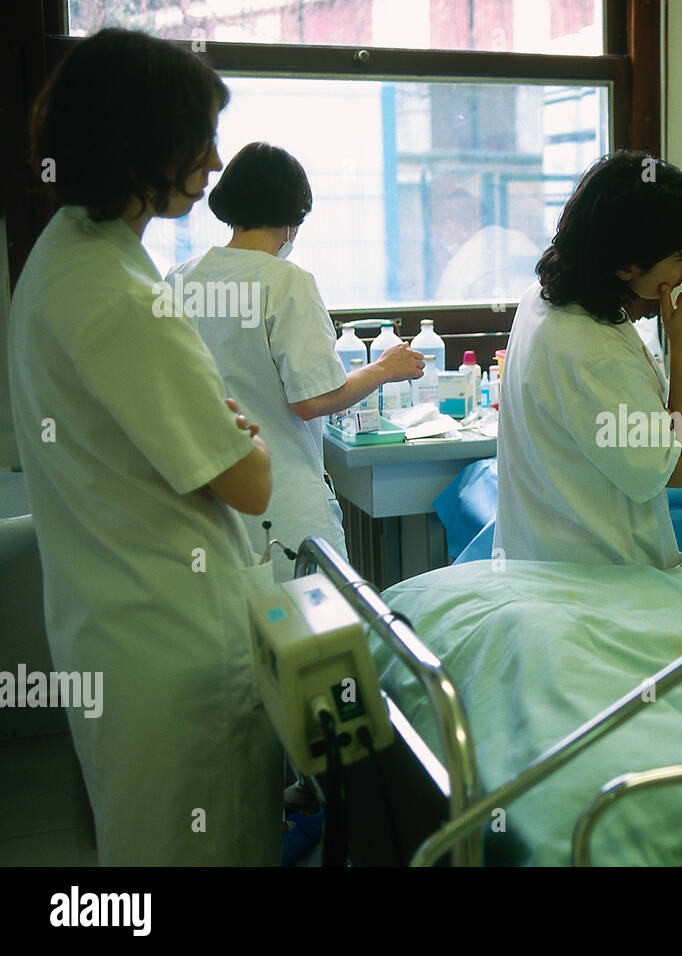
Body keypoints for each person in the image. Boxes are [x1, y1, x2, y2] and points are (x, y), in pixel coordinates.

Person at [9, 29, 281, 864]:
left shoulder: (65, 255)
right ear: (141, 145)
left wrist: (227, 426)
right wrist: (246, 440)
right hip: (173, 646)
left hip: (117, 627)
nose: (214, 161)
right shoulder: (122, 296)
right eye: (198, 138)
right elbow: (251, 483)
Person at [167, 142, 424, 582]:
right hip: (281, 504)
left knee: (239, 637)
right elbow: (313, 399)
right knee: (314, 639)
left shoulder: (182, 277)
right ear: (292, 220)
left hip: (207, 499)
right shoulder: (284, 281)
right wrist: (385, 368)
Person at [494, 151, 682, 568]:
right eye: (681, 252)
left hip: (549, 569)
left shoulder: (543, 300)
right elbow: (681, 469)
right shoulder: (593, 352)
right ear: (626, 265)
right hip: (605, 588)